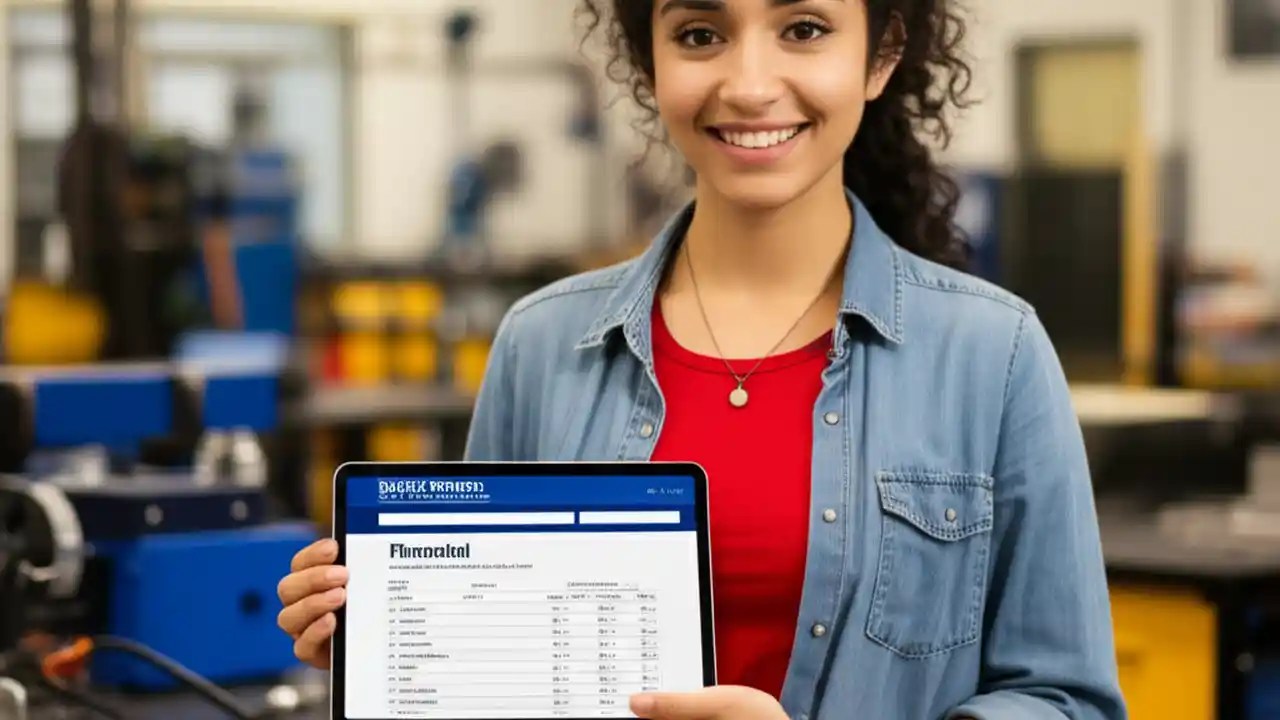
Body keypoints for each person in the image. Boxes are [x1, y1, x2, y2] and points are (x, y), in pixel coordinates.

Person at [277, 0, 1128, 718]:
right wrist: (398, 650)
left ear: (881, 56)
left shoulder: (994, 353)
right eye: (699, 34)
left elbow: (1066, 699)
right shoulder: (540, 345)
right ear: (648, 60)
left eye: (803, 28)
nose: (750, 85)